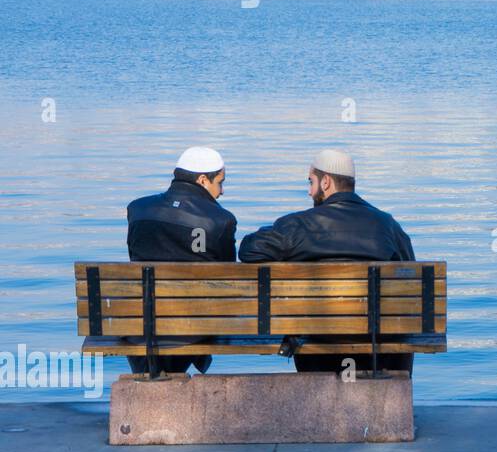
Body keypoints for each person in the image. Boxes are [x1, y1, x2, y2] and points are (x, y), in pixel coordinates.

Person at [239, 148, 415, 374]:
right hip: (374, 339)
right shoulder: (387, 225)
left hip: (317, 339)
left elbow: (249, 251)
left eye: (311, 182)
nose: (309, 192)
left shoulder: (297, 226)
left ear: (326, 182)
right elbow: (410, 278)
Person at [124, 146, 236, 375]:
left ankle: (152, 391)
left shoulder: (137, 209)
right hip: (194, 325)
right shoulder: (221, 220)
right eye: (220, 182)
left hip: (139, 322)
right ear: (204, 180)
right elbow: (229, 277)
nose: (222, 191)